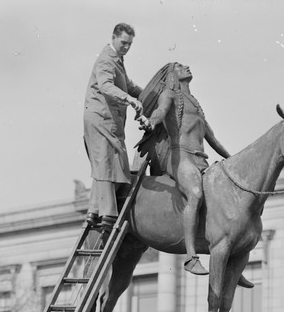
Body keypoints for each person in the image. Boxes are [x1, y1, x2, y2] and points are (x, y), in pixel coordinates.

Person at [137, 62, 231, 276]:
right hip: (180, 157)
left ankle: (229, 254)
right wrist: (151, 122)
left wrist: (231, 159)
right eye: (179, 67)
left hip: (200, 160)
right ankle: (191, 257)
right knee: (195, 193)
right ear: (172, 75)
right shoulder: (169, 95)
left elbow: (213, 139)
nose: (186, 67)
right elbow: (160, 112)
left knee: (222, 195)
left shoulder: (196, 104)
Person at [83, 23, 145, 230]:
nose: (126, 47)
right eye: (123, 43)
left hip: (107, 118)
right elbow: (106, 85)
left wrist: (147, 95)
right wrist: (129, 99)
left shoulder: (117, 59)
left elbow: (128, 84)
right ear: (114, 37)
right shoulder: (106, 59)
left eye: (129, 44)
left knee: (108, 162)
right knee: (108, 162)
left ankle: (95, 211)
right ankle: (107, 214)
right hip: (101, 117)